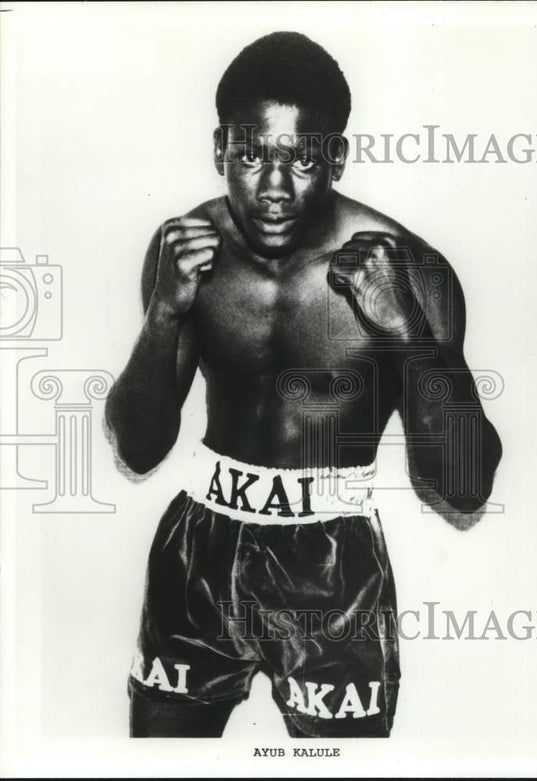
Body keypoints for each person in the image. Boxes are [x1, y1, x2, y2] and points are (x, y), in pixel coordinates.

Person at [105, 30, 502, 739]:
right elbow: (137, 447)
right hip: (200, 548)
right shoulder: (189, 251)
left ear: (338, 158)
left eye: (302, 160)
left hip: (334, 569)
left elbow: (467, 485)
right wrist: (164, 312)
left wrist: (407, 334)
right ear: (222, 149)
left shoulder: (407, 269)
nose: (275, 187)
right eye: (253, 155)